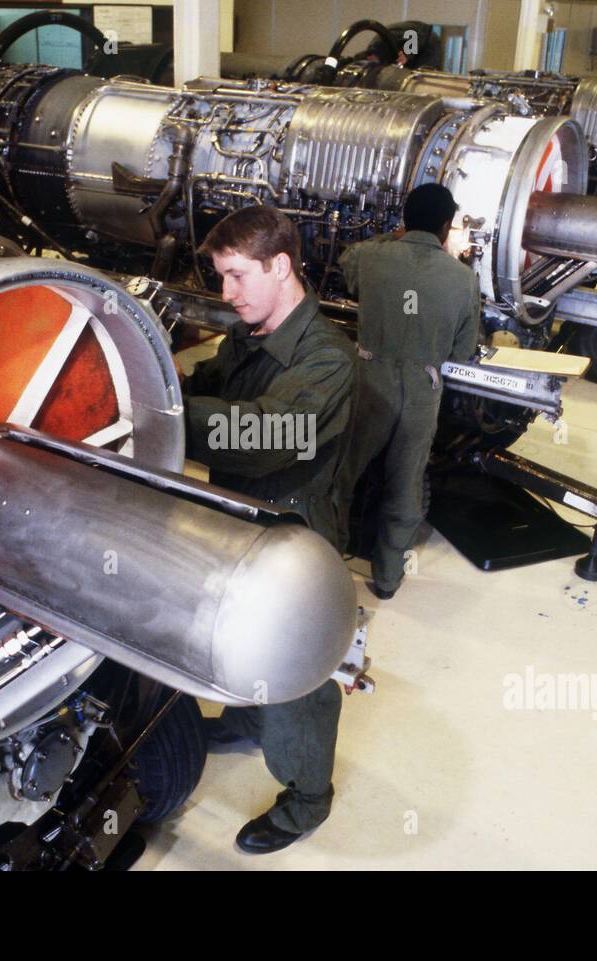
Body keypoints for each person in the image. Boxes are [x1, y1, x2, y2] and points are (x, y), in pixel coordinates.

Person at [180, 205, 355, 854]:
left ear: (280, 267)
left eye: (234, 276)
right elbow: (213, 385)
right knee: (236, 638)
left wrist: (168, 411)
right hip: (241, 519)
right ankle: (249, 716)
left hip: (296, 537)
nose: (225, 293)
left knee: (297, 667)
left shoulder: (328, 360)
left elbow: (264, 436)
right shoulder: (249, 336)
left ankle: (307, 797)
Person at [334, 184, 481, 600]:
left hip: (369, 378)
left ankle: (325, 558)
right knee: (405, 485)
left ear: (403, 220)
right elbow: (462, 351)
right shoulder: (463, 280)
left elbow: (346, 271)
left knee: (342, 475)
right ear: (446, 226)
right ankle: (387, 578)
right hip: (422, 389)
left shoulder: (371, 256)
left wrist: (391, 238)